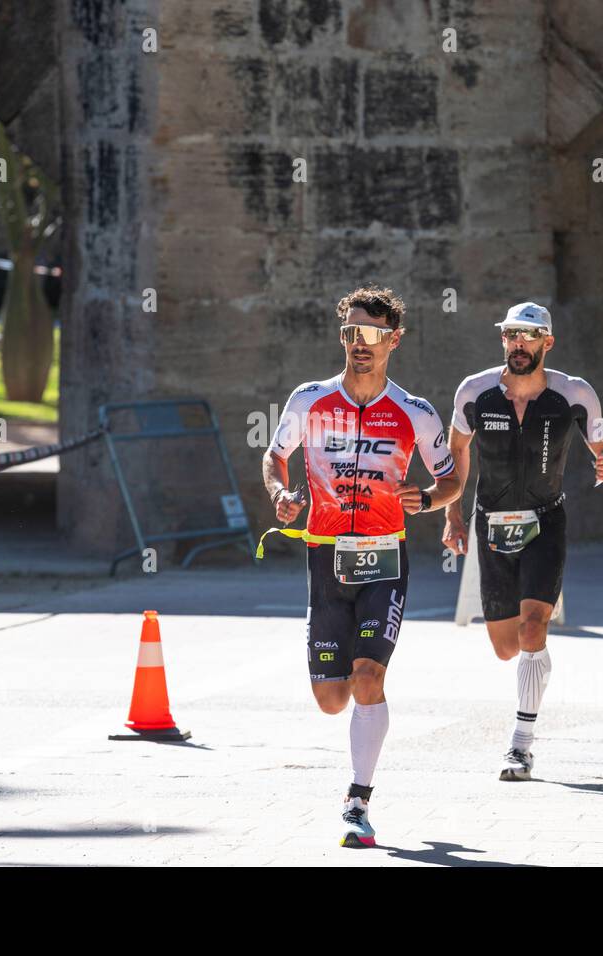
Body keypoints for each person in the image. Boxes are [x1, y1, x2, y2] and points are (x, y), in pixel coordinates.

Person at [261, 286, 460, 847]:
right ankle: (353, 705)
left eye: (372, 334)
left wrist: (431, 500)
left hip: (384, 558)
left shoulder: (416, 412)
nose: (359, 344)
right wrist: (280, 492)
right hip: (325, 558)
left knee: (369, 677)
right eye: (350, 333)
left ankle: (357, 800)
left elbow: (450, 480)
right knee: (332, 698)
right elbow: (274, 458)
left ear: (394, 340)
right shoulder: (309, 401)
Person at [442, 302, 603, 781]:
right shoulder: (474, 392)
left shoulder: (574, 393)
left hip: (546, 521)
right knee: (505, 646)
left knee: (532, 627)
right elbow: (456, 452)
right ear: (503, 340)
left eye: (529, 336)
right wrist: (453, 516)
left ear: (548, 342)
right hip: (491, 523)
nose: (518, 344)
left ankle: (520, 747)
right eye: (510, 336)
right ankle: (531, 670)